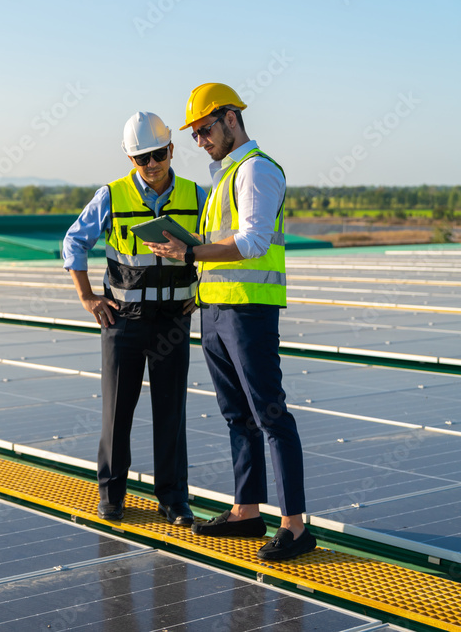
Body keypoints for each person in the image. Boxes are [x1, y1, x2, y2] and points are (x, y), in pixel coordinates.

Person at [148, 83, 315, 561]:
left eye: (203, 130)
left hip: (247, 311)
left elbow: (255, 241)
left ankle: (295, 526)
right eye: (195, 134)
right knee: (236, 416)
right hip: (217, 310)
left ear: (230, 119)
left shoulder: (256, 170)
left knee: (271, 415)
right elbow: (223, 238)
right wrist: (186, 244)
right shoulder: (225, 175)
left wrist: (192, 250)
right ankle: (246, 512)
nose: (199, 140)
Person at [63, 112, 205, 526]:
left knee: (171, 412)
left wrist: (201, 291)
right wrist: (87, 297)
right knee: (116, 412)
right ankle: (112, 496)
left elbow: (214, 248)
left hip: (173, 321)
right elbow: (74, 241)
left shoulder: (198, 197)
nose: (152, 164)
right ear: (130, 159)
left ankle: (174, 500)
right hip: (123, 322)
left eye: (158, 154)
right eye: (142, 158)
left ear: (171, 150)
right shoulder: (112, 196)